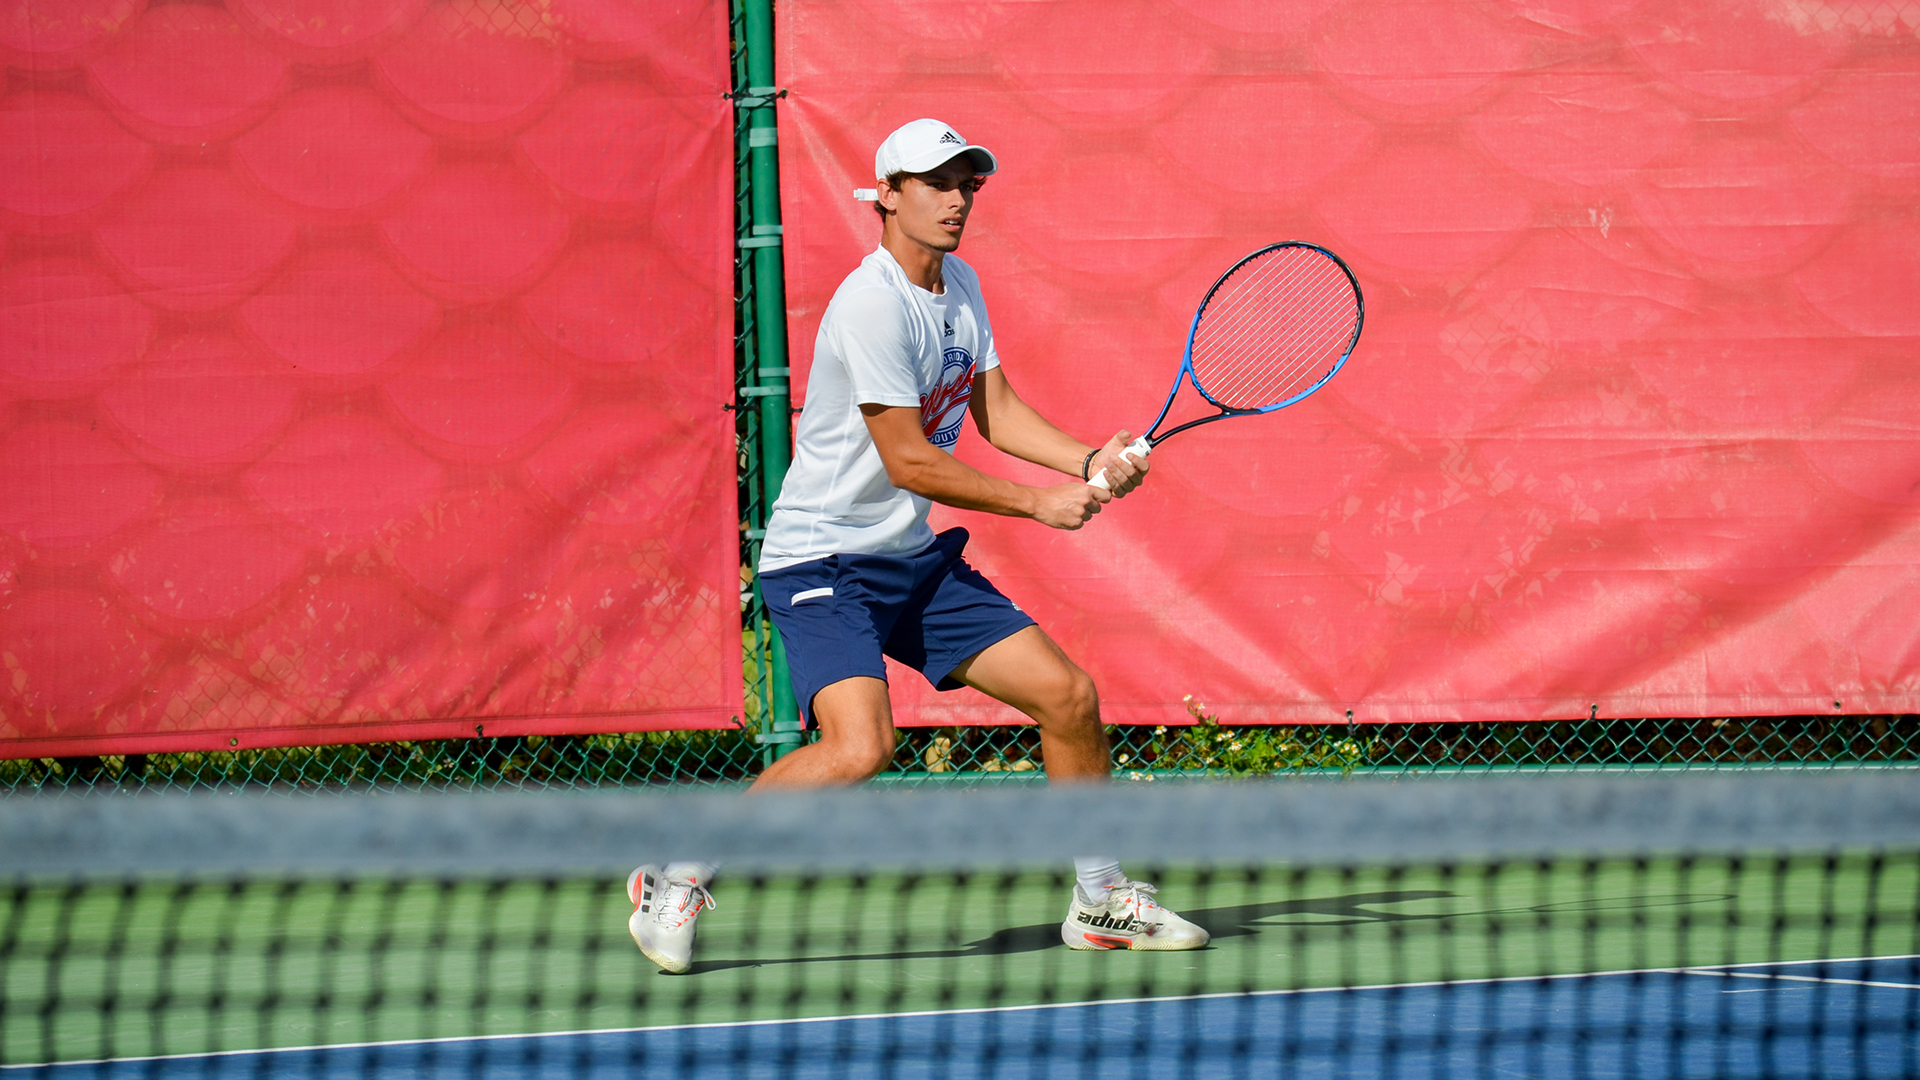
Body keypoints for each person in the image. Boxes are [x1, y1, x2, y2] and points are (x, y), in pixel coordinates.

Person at [627, 118, 1208, 974]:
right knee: (860, 747)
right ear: (888, 194)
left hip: (910, 559)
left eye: (967, 183)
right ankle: (677, 878)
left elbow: (998, 414)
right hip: (822, 561)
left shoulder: (961, 284)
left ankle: (1101, 901)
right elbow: (909, 458)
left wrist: (1089, 459)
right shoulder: (870, 303)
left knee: (1068, 697)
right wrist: (1039, 505)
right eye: (936, 183)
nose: (956, 199)